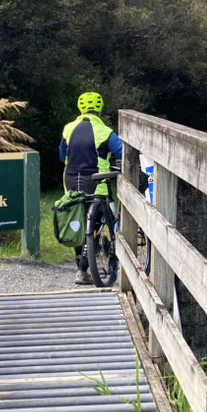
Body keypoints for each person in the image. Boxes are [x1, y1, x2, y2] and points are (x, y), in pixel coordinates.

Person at [60, 91, 123, 284]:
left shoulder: (68, 129)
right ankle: (86, 266)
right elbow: (123, 152)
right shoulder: (105, 131)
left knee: (78, 221)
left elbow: (62, 156)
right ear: (100, 108)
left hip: (71, 180)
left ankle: (81, 270)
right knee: (97, 221)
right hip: (96, 181)